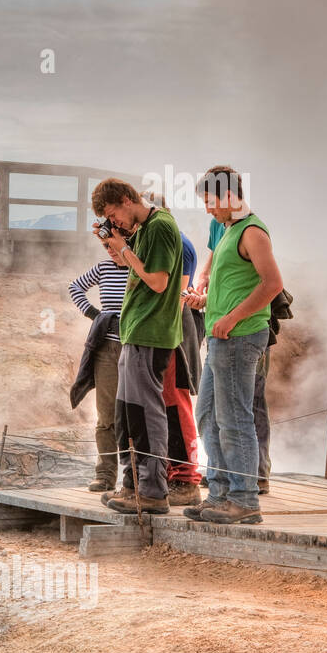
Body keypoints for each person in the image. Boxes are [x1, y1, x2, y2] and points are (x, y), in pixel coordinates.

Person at [183, 167, 283, 525]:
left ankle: (244, 500)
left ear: (227, 196)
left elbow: (272, 284)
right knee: (208, 413)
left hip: (240, 337)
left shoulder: (252, 231)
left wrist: (233, 318)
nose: (208, 210)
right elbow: (235, 285)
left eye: (210, 202)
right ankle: (221, 493)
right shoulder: (228, 229)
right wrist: (207, 302)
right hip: (222, 334)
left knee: (234, 416)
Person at [91, 178, 184, 515]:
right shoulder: (143, 229)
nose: (114, 221)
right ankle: (133, 485)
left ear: (128, 200)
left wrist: (124, 246)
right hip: (136, 331)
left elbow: (158, 282)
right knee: (129, 414)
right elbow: (131, 266)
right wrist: (115, 244)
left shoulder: (159, 227)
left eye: (114, 214)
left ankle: (153, 491)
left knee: (146, 414)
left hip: (150, 332)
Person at [141, 190, 203, 507]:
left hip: (174, 332)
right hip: (164, 331)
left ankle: (187, 478)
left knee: (174, 403)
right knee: (163, 403)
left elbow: (176, 298)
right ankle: (170, 472)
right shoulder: (160, 240)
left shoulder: (178, 243)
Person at [68, 241, 131, 491]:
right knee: (106, 414)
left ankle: (134, 476)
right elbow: (75, 287)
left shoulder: (139, 268)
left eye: (114, 245)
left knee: (134, 414)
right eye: (106, 246)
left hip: (135, 347)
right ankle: (105, 475)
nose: (111, 250)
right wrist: (95, 315)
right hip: (106, 349)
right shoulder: (104, 268)